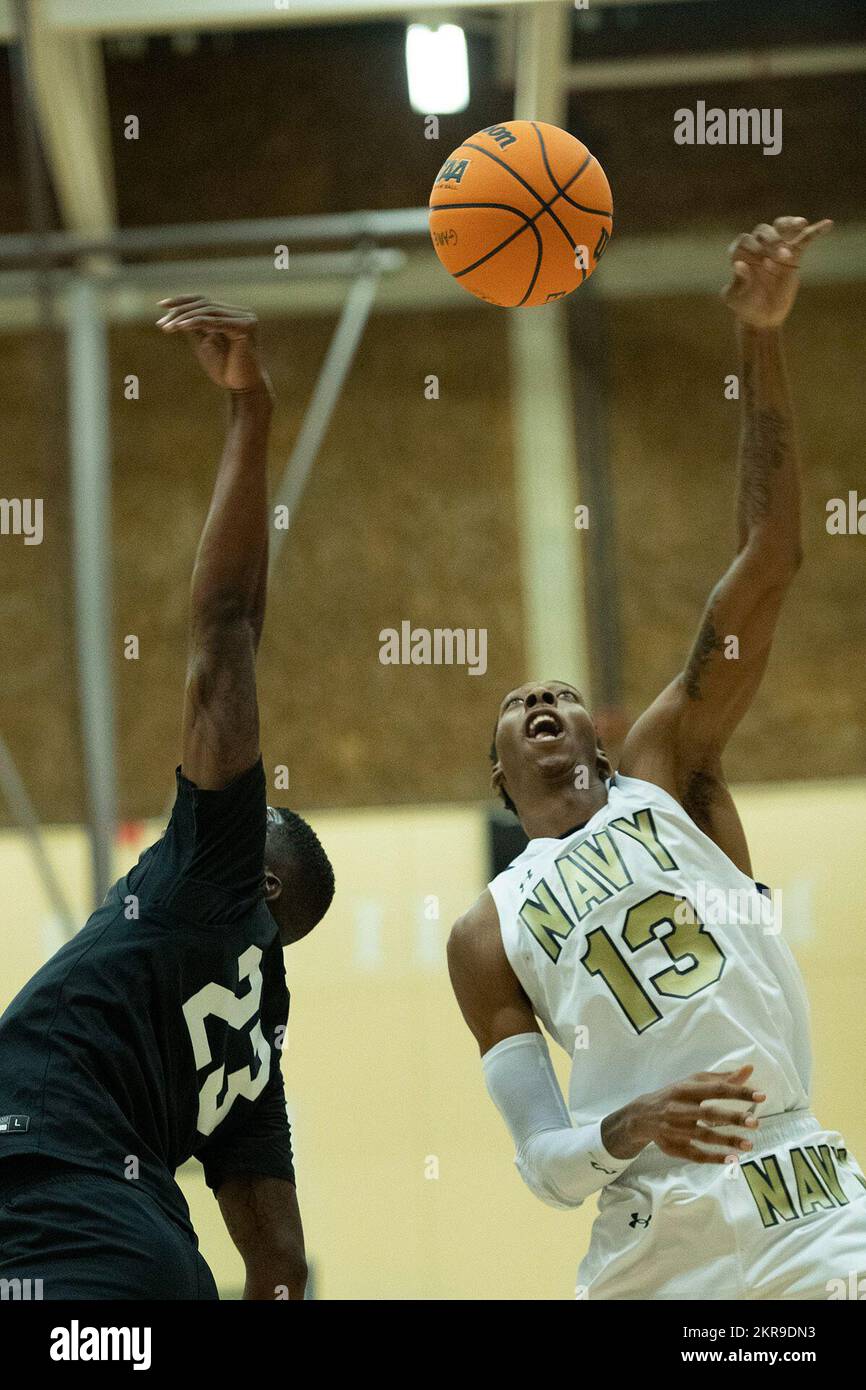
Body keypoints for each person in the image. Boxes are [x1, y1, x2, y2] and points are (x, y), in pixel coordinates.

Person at [448, 218, 866, 1300]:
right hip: (647, 1243)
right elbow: (542, 1160)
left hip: (793, 1198)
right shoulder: (485, 930)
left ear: (600, 733)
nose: (540, 697)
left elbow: (770, 558)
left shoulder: (665, 772)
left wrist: (758, 337)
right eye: (515, 700)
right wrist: (620, 1125)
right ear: (500, 775)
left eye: (561, 694)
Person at [0, 299, 333, 1300]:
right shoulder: (254, 1034)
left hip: (50, 1205)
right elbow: (276, 1260)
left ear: (262, 875)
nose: (190, 818)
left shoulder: (213, 876)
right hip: (146, 1251)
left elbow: (225, 625)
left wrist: (250, 409)